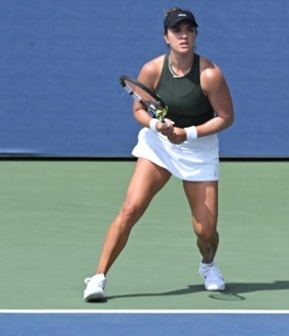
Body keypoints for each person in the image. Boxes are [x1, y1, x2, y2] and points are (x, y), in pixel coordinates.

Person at [84, 8, 234, 302]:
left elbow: (226, 117)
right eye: (177, 31)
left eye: (189, 30)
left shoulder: (210, 74)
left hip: (198, 148)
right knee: (130, 209)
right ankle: (98, 278)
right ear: (166, 37)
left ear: (195, 35)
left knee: (206, 231)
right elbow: (139, 109)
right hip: (159, 146)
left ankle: (208, 265)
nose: (184, 36)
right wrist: (156, 124)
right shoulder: (152, 70)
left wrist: (186, 133)